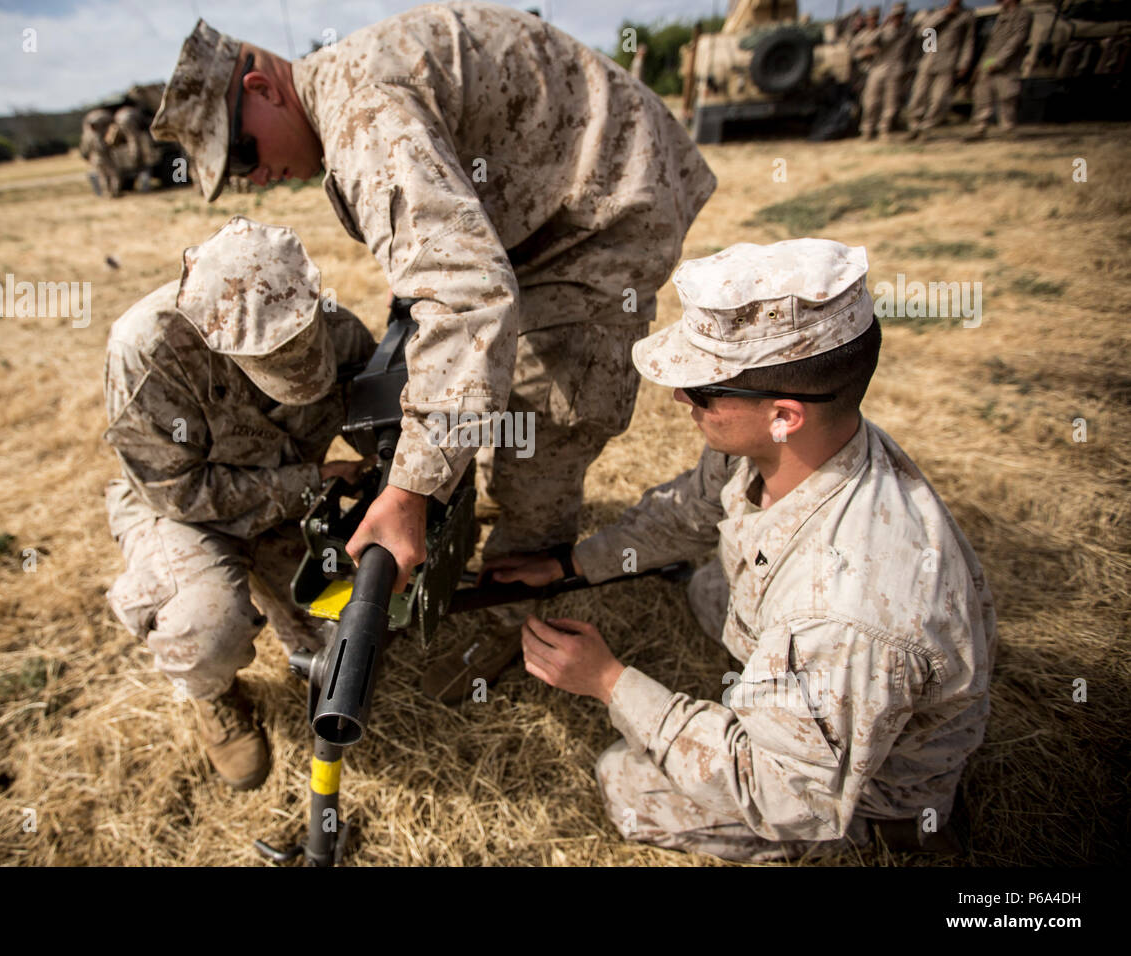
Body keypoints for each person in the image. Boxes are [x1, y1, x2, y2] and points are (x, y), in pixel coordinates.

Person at [147, 4, 717, 703]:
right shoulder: (349, 94)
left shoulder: (363, 116)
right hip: (552, 210)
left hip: (602, 214)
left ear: (263, 87)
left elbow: (467, 293)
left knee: (544, 425)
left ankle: (513, 606)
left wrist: (411, 490)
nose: (254, 177)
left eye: (242, 154)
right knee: (484, 388)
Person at [488, 239, 996, 862]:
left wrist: (610, 683)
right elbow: (690, 513)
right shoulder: (785, 447)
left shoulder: (843, 611)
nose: (682, 399)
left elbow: (785, 793)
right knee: (711, 590)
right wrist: (572, 564)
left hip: (863, 795)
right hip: (818, 643)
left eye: (702, 391)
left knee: (624, 780)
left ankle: (879, 841)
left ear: (784, 414)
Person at [102, 217, 374, 790]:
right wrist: (310, 480)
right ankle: (215, 695)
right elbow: (178, 490)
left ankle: (284, 614)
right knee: (207, 629)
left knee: (345, 644)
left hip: (291, 501)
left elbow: (379, 427)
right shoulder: (146, 352)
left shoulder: (340, 332)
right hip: (178, 509)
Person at [905, 0, 975, 139]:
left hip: (948, 62)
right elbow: (923, 32)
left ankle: (926, 128)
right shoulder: (935, 11)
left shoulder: (967, 15)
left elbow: (968, 42)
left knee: (940, 99)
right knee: (919, 96)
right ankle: (914, 127)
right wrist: (943, 15)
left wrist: (963, 63)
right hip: (929, 60)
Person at [965, 0, 1035, 140]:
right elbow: (991, 43)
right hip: (988, 64)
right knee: (983, 97)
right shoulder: (1001, 14)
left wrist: (999, 61)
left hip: (1008, 66)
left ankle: (1008, 129)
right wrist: (980, 66)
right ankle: (979, 129)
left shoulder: (1023, 14)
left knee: (1007, 97)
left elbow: (1016, 41)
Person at [859, 2, 917, 139]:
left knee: (890, 103)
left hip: (897, 69)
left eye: (900, 15)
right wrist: (882, 27)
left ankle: (884, 129)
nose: (898, 18)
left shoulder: (909, 30)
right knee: (871, 101)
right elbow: (869, 42)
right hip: (879, 68)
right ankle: (867, 129)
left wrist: (911, 67)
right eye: (895, 15)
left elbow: (914, 50)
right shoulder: (883, 29)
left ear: (904, 15)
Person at [80, 108, 120, 198]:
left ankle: (107, 193)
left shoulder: (88, 136)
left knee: (103, 176)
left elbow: (84, 150)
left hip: (95, 159)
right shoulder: (98, 136)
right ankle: (114, 192)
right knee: (113, 175)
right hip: (104, 158)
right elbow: (102, 147)